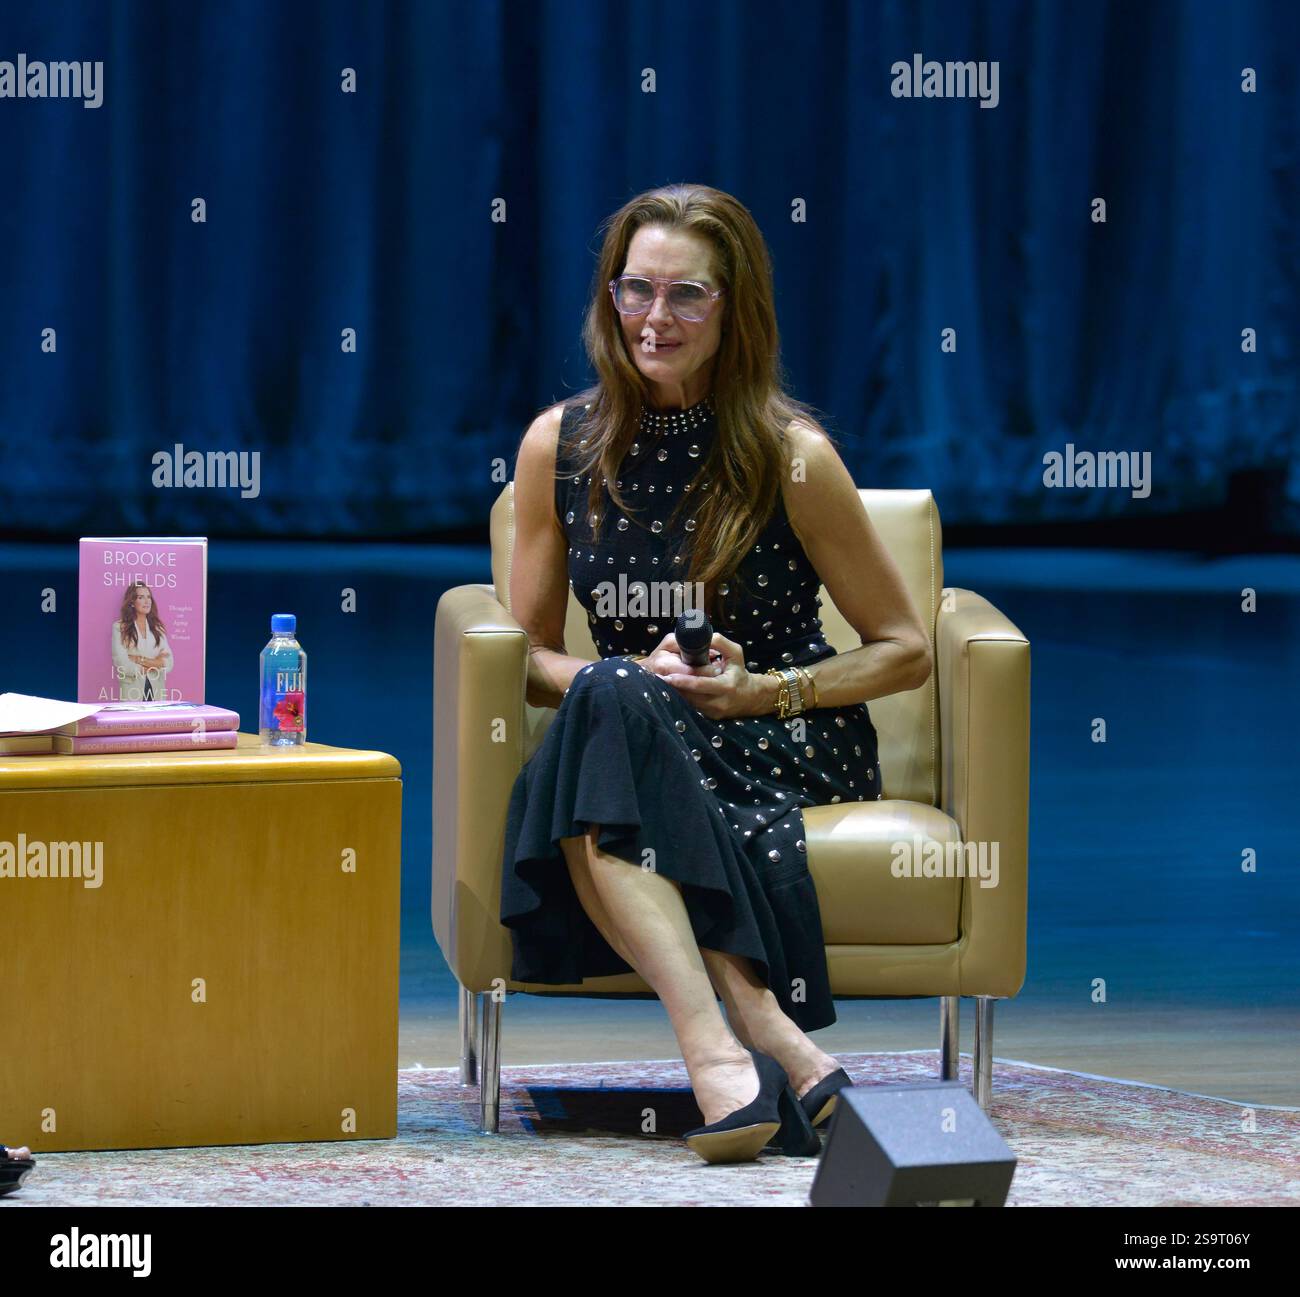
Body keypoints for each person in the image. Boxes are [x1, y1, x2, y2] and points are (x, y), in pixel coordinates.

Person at [501, 183, 932, 1164]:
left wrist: (760, 690)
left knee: (600, 751)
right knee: (610, 704)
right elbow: (523, 659)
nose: (655, 319)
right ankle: (761, 1038)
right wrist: (638, 687)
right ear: (608, 298)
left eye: (686, 295)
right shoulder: (556, 446)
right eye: (635, 290)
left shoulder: (791, 455)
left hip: (780, 735)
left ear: (734, 310)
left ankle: (729, 1057)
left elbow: (902, 645)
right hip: (634, 731)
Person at [111, 582, 173, 701]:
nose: (147, 601)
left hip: (157, 690)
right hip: (132, 690)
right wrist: (156, 663)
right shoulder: (119, 627)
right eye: (141, 597)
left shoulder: (158, 628)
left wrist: (139, 659)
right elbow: (122, 664)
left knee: (157, 719)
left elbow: (168, 662)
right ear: (132, 602)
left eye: (148, 597)